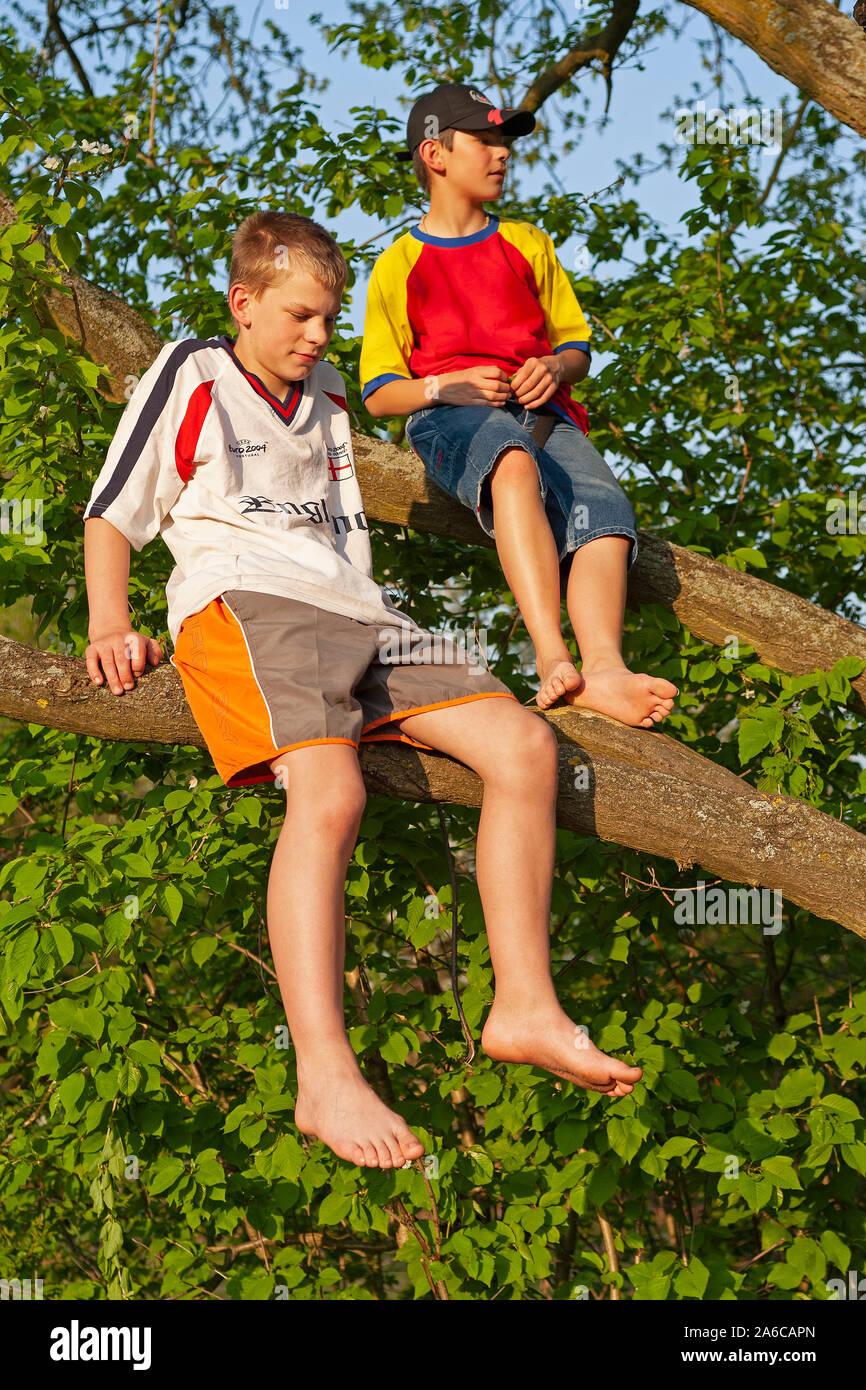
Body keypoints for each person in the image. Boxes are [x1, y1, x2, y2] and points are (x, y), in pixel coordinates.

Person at [82, 210, 642, 1171]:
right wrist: (108, 625)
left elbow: (346, 536)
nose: (316, 336)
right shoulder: (192, 370)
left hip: (361, 611)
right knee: (329, 793)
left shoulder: (331, 390)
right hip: (248, 599)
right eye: (299, 316)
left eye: (329, 319)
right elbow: (112, 509)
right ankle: (325, 1074)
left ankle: (525, 1005)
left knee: (525, 747)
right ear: (242, 302)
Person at [360, 82, 679, 726]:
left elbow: (576, 349)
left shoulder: (529, 244)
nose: (503, 153)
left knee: (606, 511)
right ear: (436, 153)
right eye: (487, 140)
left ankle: (605, 670)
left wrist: (554, 367)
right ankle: (552, 655)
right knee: (510, 464)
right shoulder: (398, 264)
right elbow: (378, 394)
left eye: (505, 141)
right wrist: (439, 388)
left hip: (545, 416)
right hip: (451, 417)